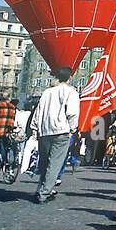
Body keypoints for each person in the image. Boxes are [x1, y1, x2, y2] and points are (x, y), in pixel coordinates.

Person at [33, 68, 80, 203]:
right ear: (70, 78)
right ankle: (45, 192)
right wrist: (72, 128)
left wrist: (35, 127)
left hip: (45, 130)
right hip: (61, 130)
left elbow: (38, 110)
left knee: (44, 161)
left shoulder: (47, 92)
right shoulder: (71, 92)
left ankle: (41, 187)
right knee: (55, 163)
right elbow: (72, 112)